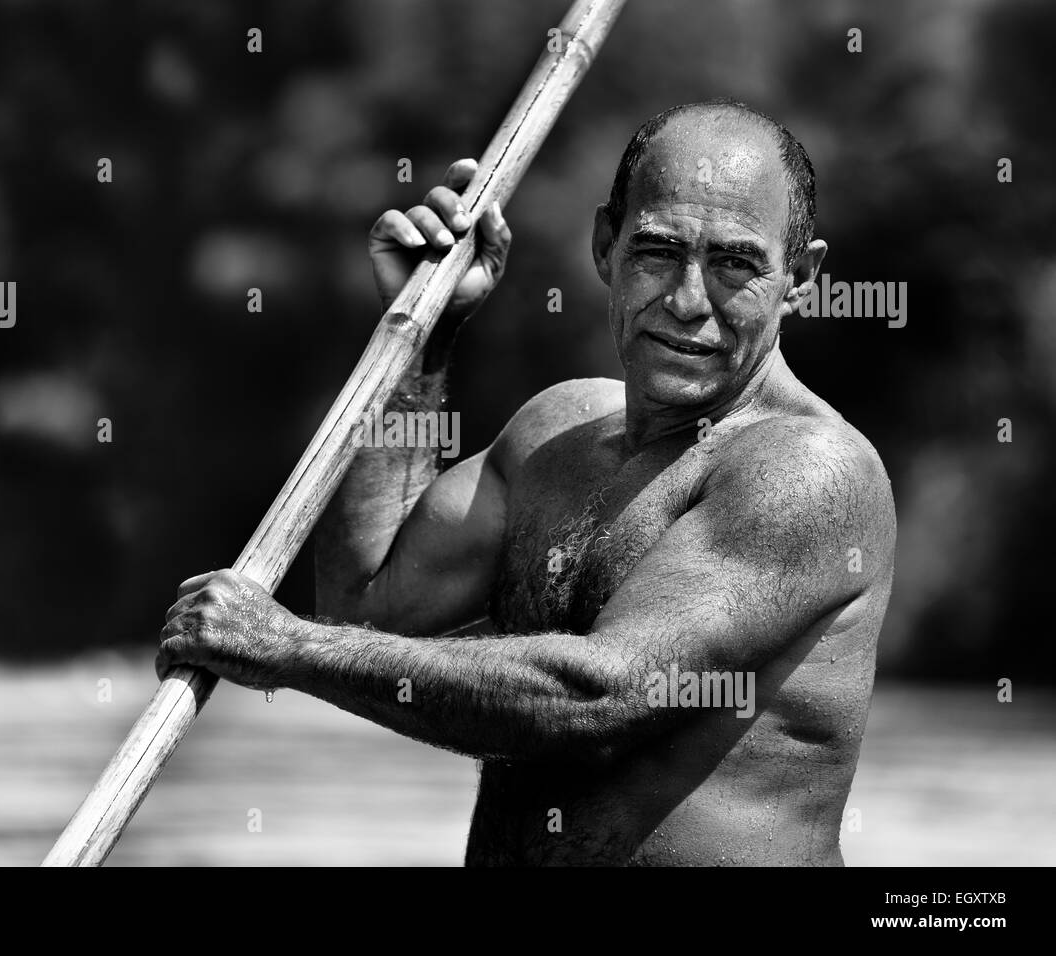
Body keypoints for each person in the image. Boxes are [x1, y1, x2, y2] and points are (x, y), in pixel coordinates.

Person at [157, 100, 897, 865]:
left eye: (735, 264)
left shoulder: (808, 470)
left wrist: (283, 646)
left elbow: (601, 697)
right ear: (606, 245)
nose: (686, 301)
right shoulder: (556, 435)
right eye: (656, 252)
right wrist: (421, 334)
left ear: (801, 278)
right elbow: (369, 606)